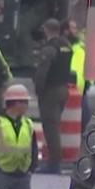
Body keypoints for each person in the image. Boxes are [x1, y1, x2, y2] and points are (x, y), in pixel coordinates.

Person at [33, 18, 72, 174]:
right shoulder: (66, 46)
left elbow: (41, 74)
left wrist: (38, 90)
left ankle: (54, 164)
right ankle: (54, 160)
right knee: (55, 126)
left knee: (50, 128)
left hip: (50, 91)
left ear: (46, 30)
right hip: (63, 89)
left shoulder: (49, 50)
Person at [62, 19, 87, 93]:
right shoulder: (62, 47)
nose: (75, 31)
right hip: (67, 87)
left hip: (81, 89)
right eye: (73, 28)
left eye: (76, 28)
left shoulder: (80, 47)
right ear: (65, 31)